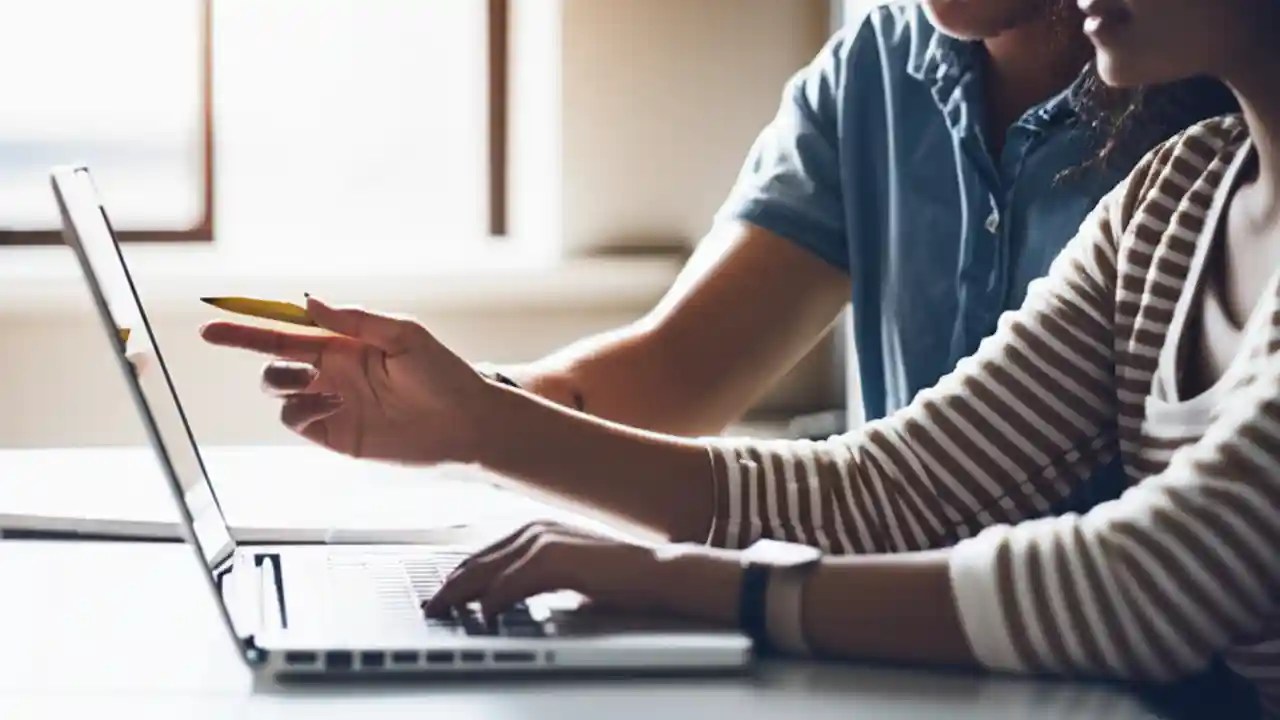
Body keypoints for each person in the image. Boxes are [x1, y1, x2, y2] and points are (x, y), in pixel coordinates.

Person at [204, 0, 1280, 714]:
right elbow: (892, 489)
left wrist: (691, 583)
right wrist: (481, 421)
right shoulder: (1177, 198)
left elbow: (1148, 581)